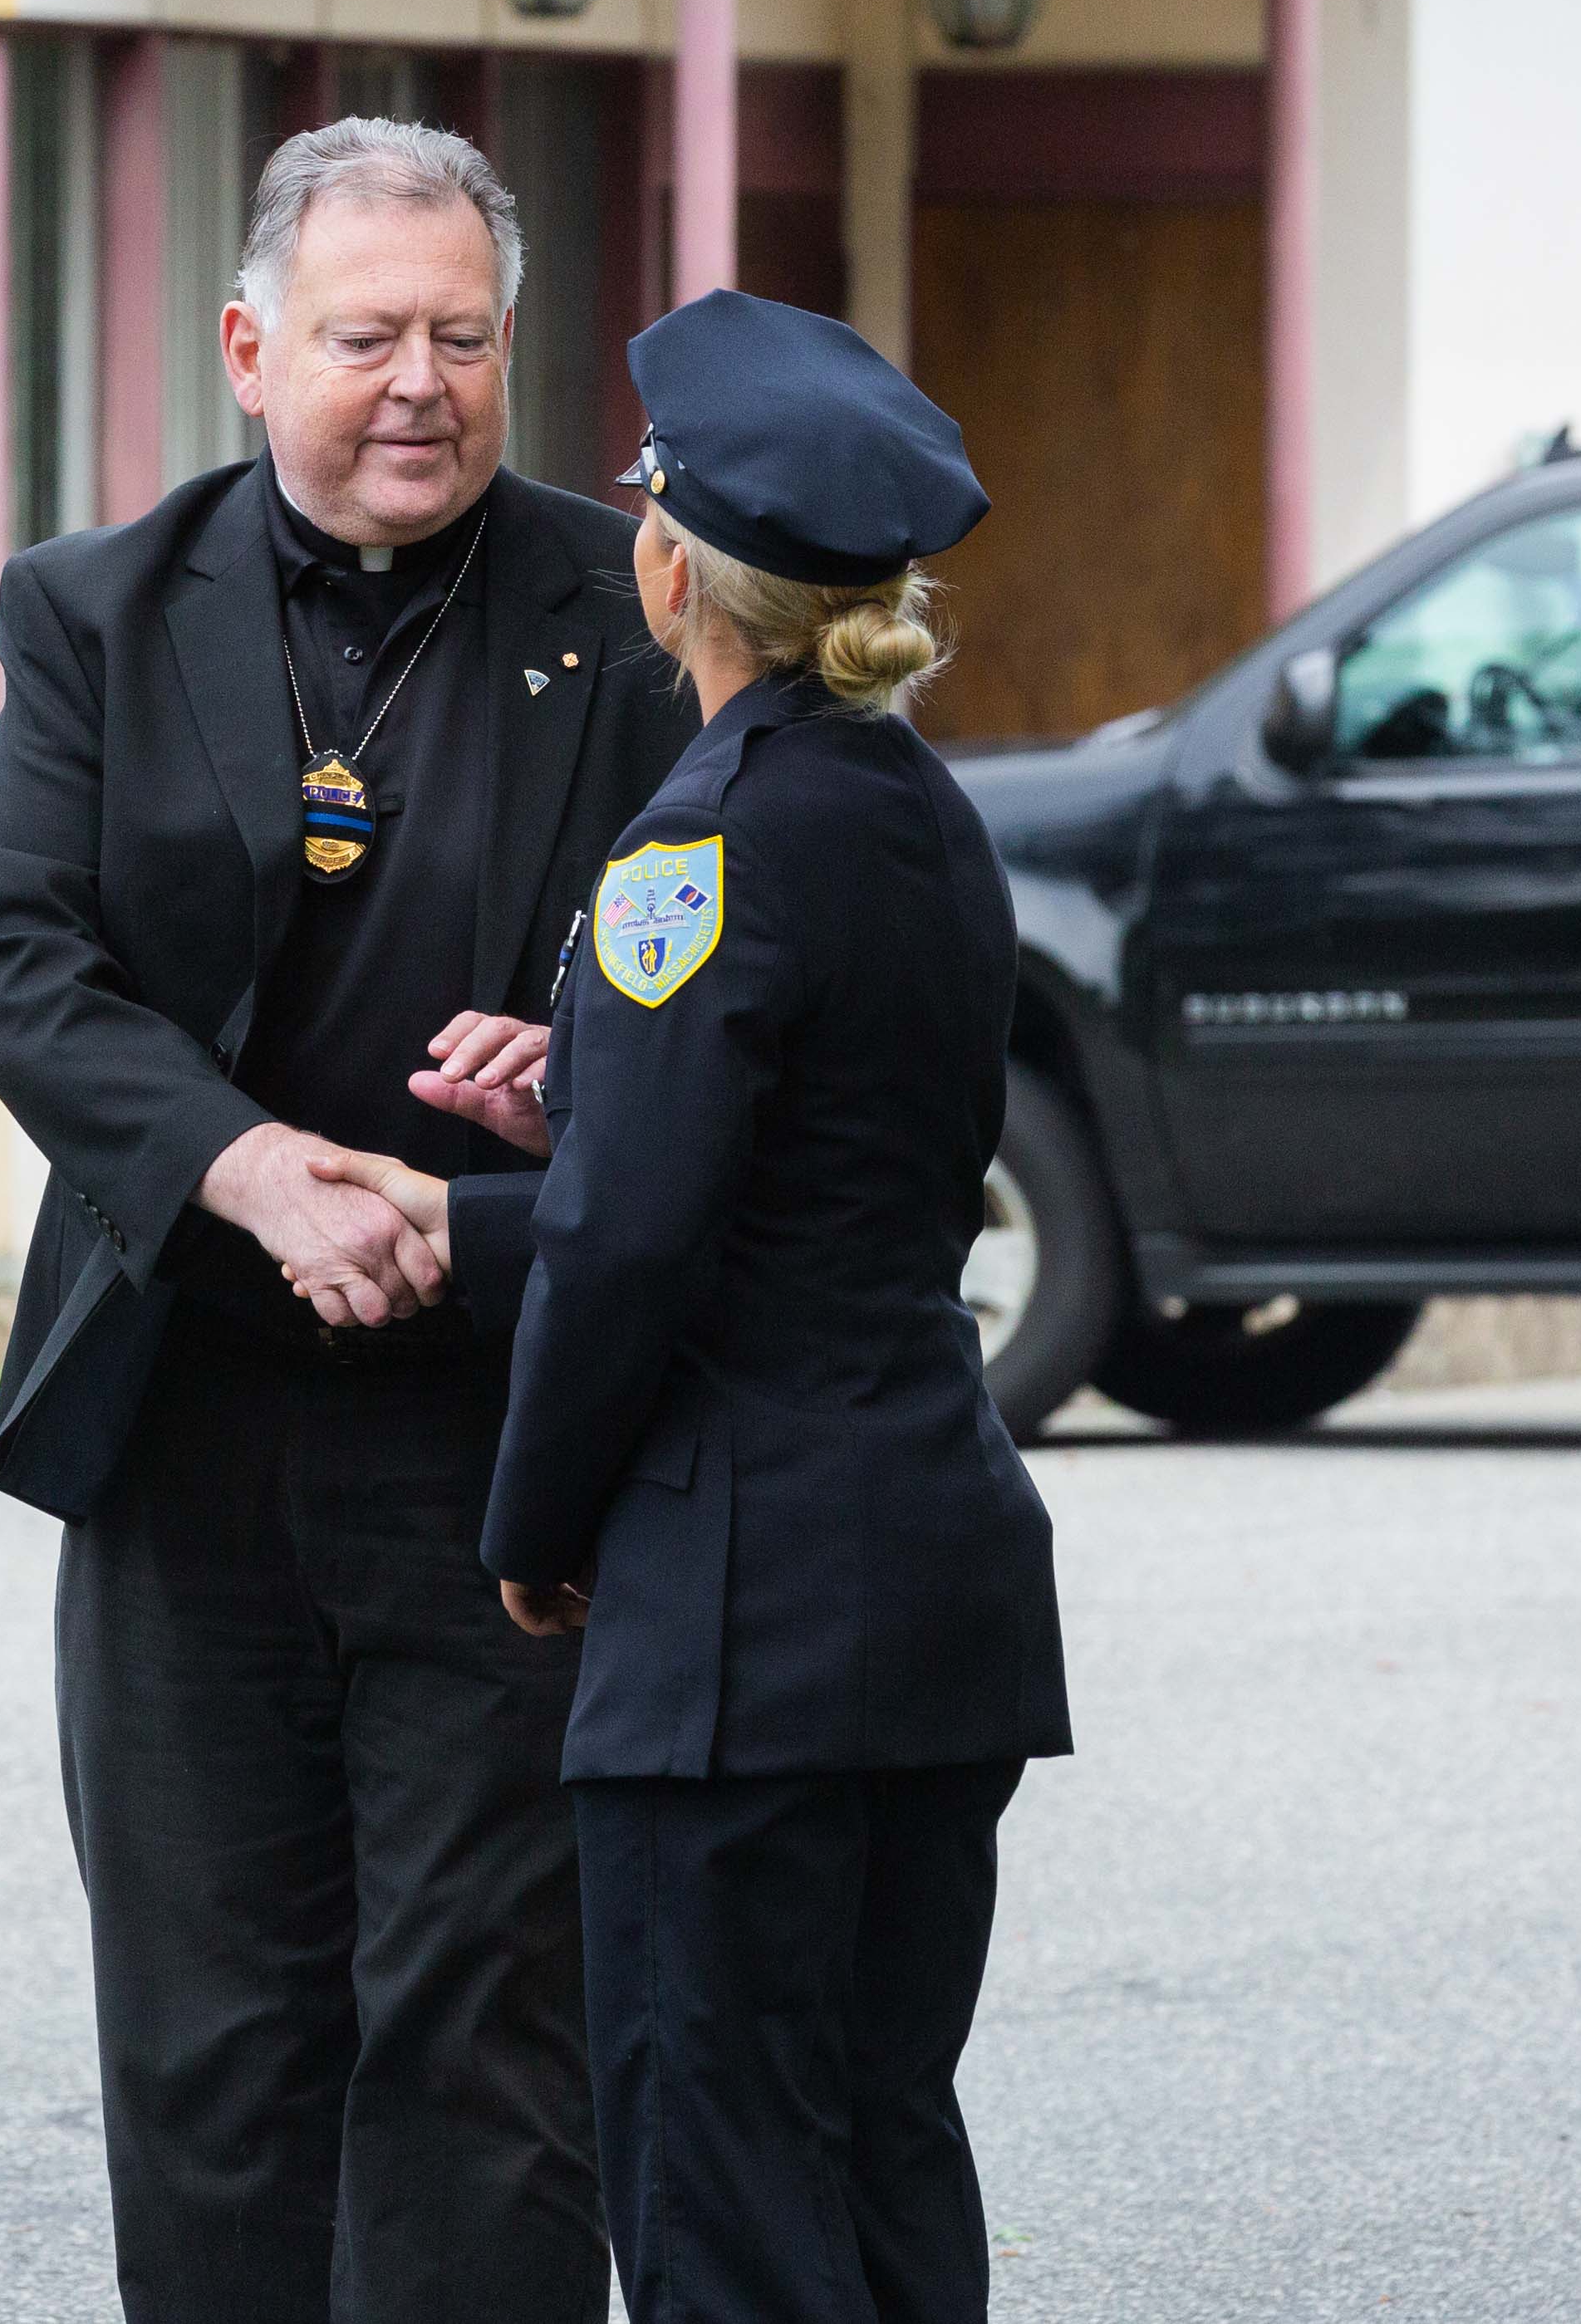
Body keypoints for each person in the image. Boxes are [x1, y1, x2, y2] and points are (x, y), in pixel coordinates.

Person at [0, 117, 697, 2323]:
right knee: (208, 2032)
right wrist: (245, 1165)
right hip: (187, 1417)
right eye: (365, 334)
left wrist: (576, 1047)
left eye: (462, 336)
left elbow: (717, 932)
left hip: (495, 1425)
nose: (418, 383)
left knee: (485, 2031)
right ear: (245, 344)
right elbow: (21, 956)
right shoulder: (93, 602)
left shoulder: (625, 599)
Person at [322, 288, 1072, 2324]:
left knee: (723, 2188)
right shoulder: (921, 813)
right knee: (881, 2148)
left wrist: (534, 1533)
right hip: (932, 1581)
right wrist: (583, 1099)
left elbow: (638, 1250)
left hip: (743, 1616)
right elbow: (815, 1166)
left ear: (669, 563)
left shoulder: (704, 841)